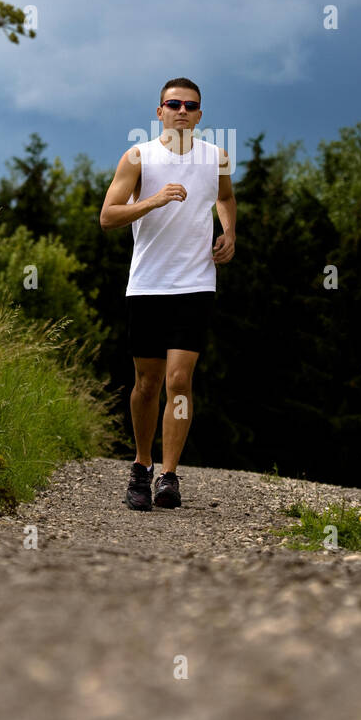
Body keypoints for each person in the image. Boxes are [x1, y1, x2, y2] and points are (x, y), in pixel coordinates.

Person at [99, 78, 236, 509]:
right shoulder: (139, 157)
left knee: (179, 380)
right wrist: (153, 201)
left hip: (195, 283)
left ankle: (169, 475)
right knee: (147, 382)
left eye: (189, 105)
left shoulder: (216, 159)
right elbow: (108, 216)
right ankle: (141, 466)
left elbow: (226, 198)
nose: (181, 110)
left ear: (199, 115)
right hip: (148, 285)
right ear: (159, 112)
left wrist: (229, 231)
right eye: (172, 104)